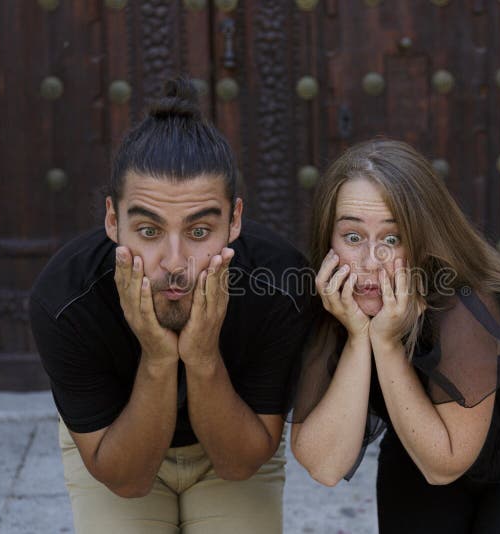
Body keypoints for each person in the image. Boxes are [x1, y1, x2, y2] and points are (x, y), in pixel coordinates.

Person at [29, 77, 314, 534]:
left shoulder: (280, 285)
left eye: (200, 232)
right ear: (111, 219)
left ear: (235, 220)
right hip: (117, 439)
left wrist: (201, 355)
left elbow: (240, 464)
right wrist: (159, 356)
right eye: (148, 231)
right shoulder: (66, 298)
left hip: (233, 436)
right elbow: (125, 479)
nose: (175, 263)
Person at [290, 139, 500, 533]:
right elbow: (325, 465)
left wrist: (384, 345)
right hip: (422, 442)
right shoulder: (332, 303)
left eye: (392, 238)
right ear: (328, 240)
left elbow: (445, 463)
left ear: (423, 240)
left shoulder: (464, 306)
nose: (370, 261)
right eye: (352, 237)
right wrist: (356, 340)